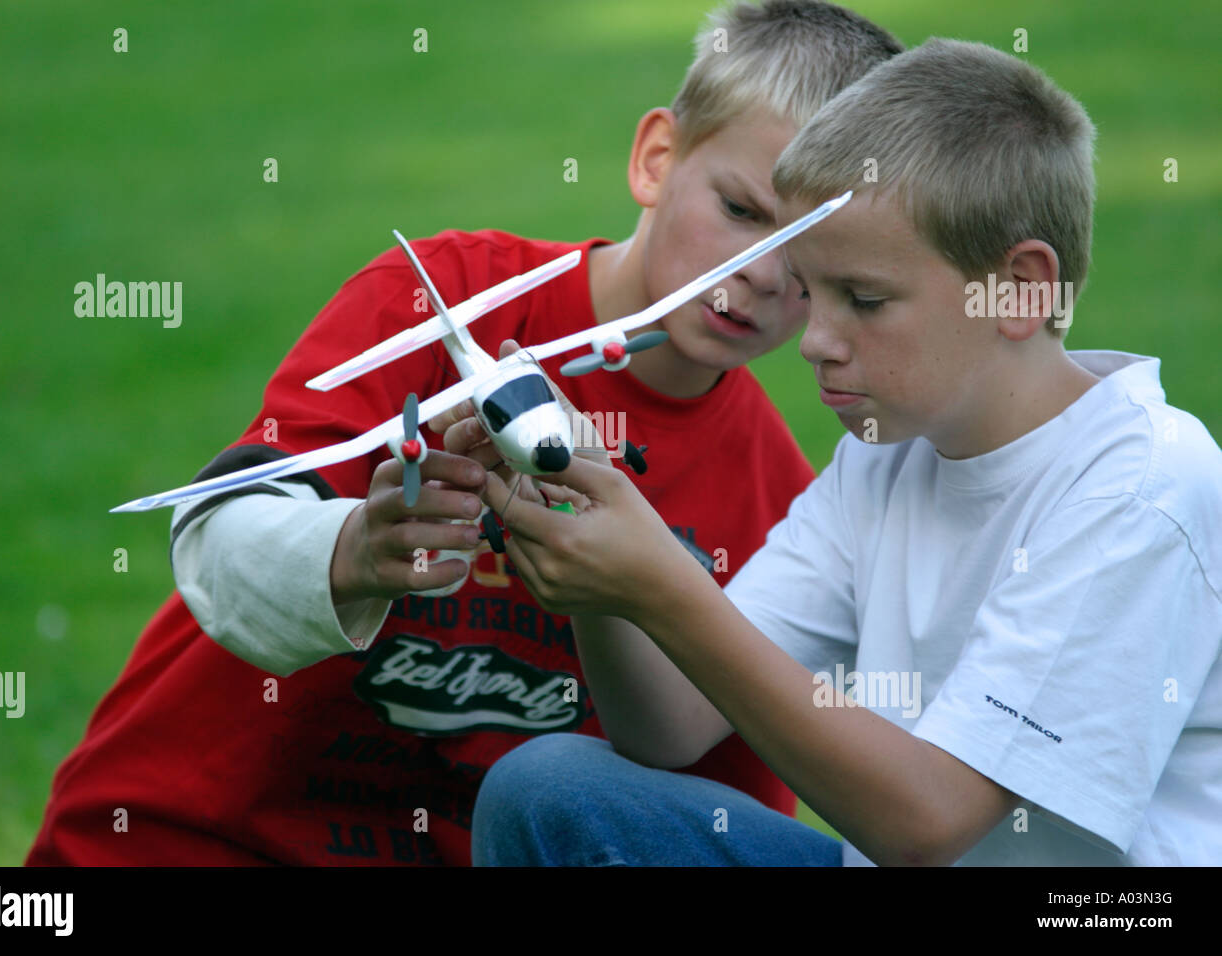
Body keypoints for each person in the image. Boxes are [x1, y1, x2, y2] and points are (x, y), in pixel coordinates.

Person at [25, 1, 905, 865]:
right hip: (190, 832)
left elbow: (681, 823)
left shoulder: (782, 504)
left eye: (805, 250)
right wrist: (356, 548)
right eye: (741, 211)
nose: (758, 273)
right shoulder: (440, 295)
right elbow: (219, 541)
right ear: (656, 157)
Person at [466, 38, 1222, 866]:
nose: (816, 341)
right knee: (551, 789)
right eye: (809, 290)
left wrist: (665, 587)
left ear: (1020, 289)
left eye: (863, 299)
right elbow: (670, 724)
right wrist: (590, 537)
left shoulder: (1138, 486)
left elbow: (932, 823)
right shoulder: (885, 452)